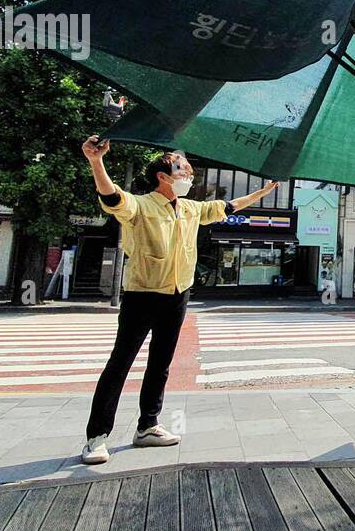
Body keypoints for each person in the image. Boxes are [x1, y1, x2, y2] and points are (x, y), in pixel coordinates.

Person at [79, 137, 277, 465]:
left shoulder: (190, 209)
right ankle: (96, 437)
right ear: (163, 176)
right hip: (142, 294)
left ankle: (147, 426)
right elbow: (112, 198)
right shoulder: (141, 205)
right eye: (183, 170)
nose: (189, 175)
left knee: (161, 364)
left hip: (177, 294)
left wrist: (262, 193)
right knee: (120, 363)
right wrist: (96, 162)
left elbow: (227, 207)